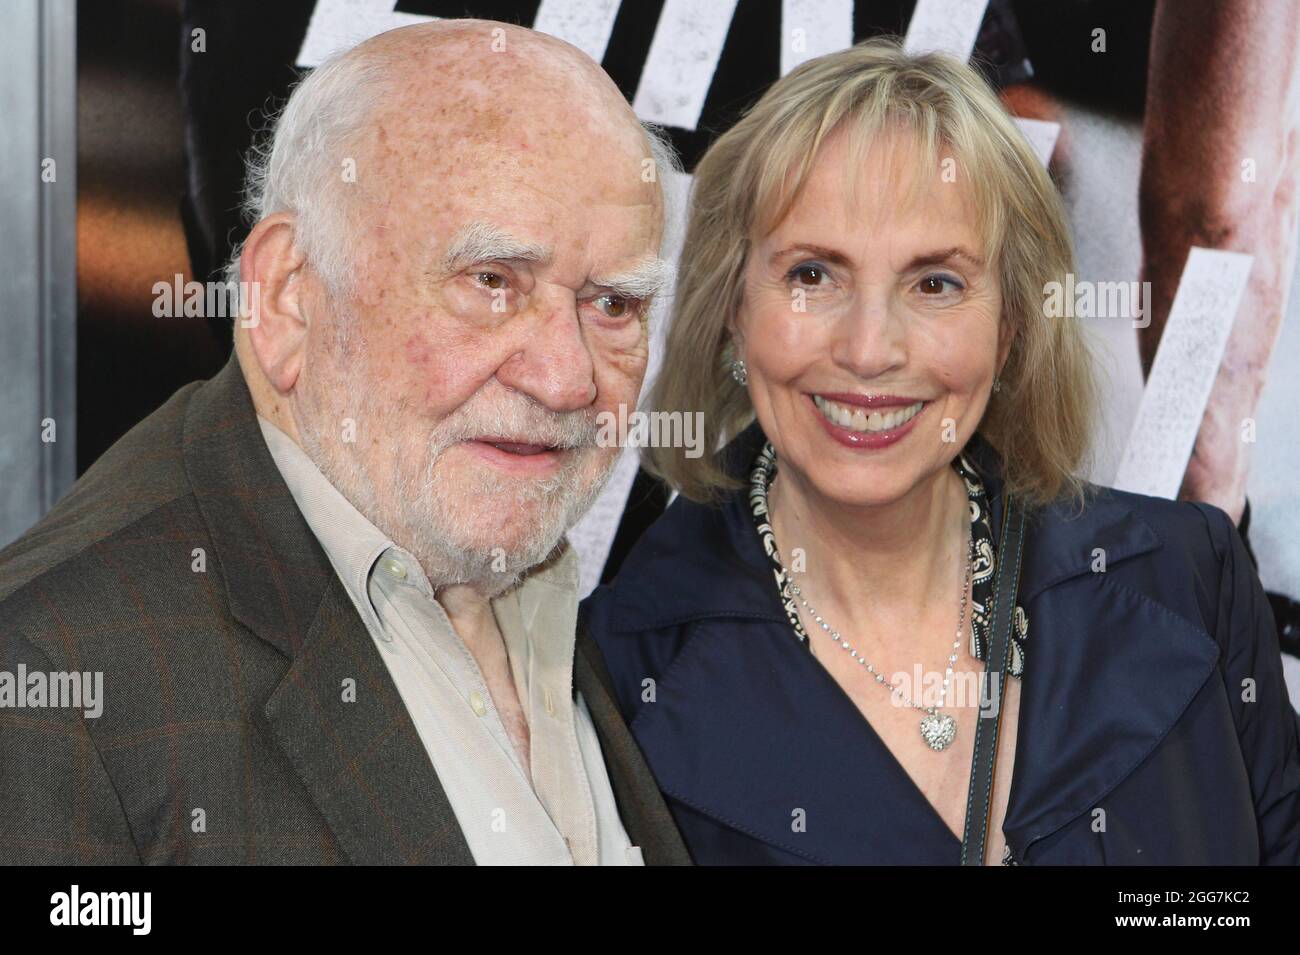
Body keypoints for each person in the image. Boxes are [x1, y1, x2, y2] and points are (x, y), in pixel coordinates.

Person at [582, 36, 1300, 865]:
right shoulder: (616, 674)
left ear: (1011, 330)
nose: (869, 348)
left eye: (936, 282)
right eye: (813, 274)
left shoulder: (1190, 576)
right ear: (733, 312)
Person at [0, 19, 689, 865]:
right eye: (491, 281)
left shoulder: (518, 567)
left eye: (614, 303)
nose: (566, 379)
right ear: (290, 294)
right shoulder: (51, 683)